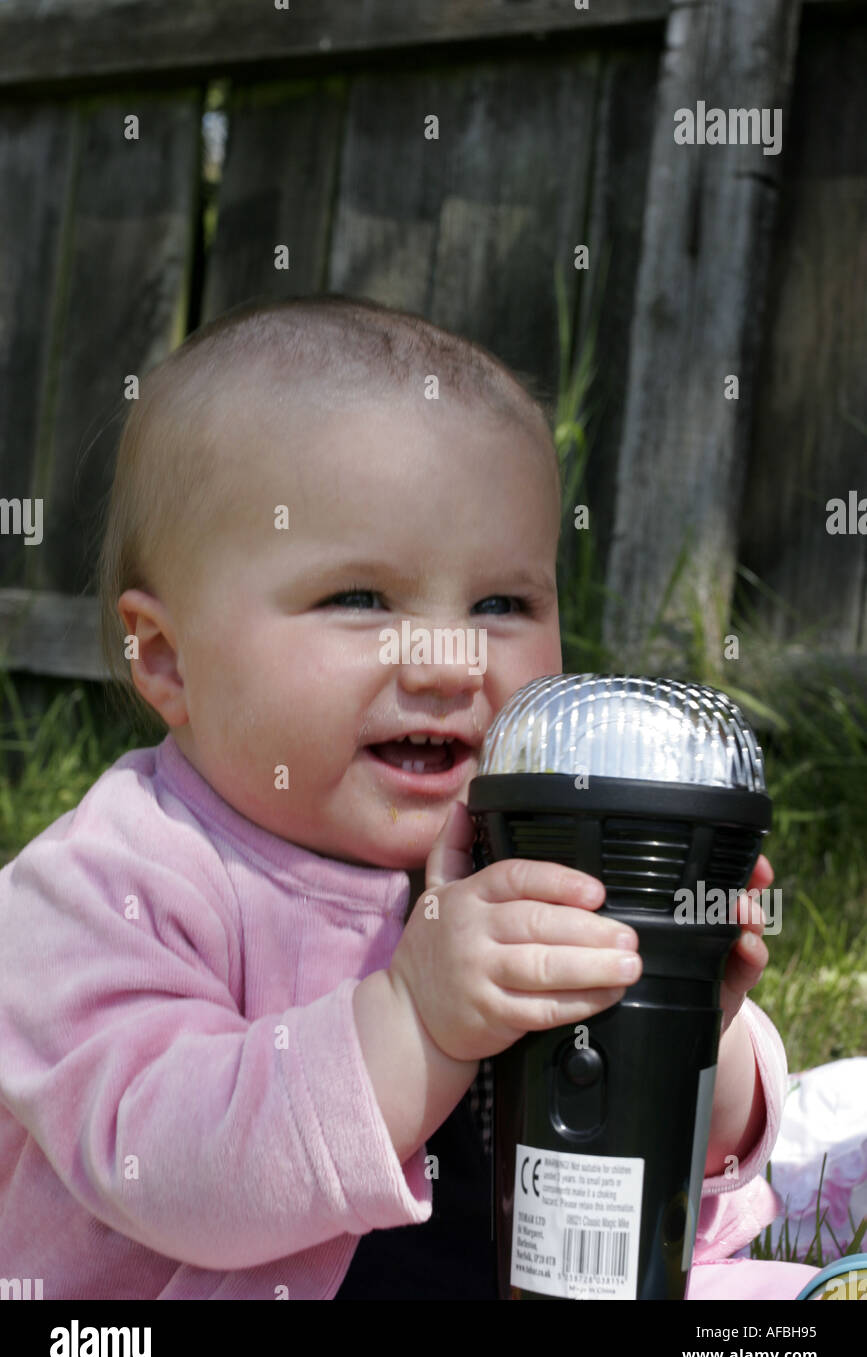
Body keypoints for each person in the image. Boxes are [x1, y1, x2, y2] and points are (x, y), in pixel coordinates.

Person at [0, 294, 817, 1298]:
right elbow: (174, 1168)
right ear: (167, 660)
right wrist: (417, 1020)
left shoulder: (535, 844)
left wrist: (689, 1032)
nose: (446, 661)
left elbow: (676, 1187)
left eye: (501, 603)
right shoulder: (106, 887)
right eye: (359, 600)